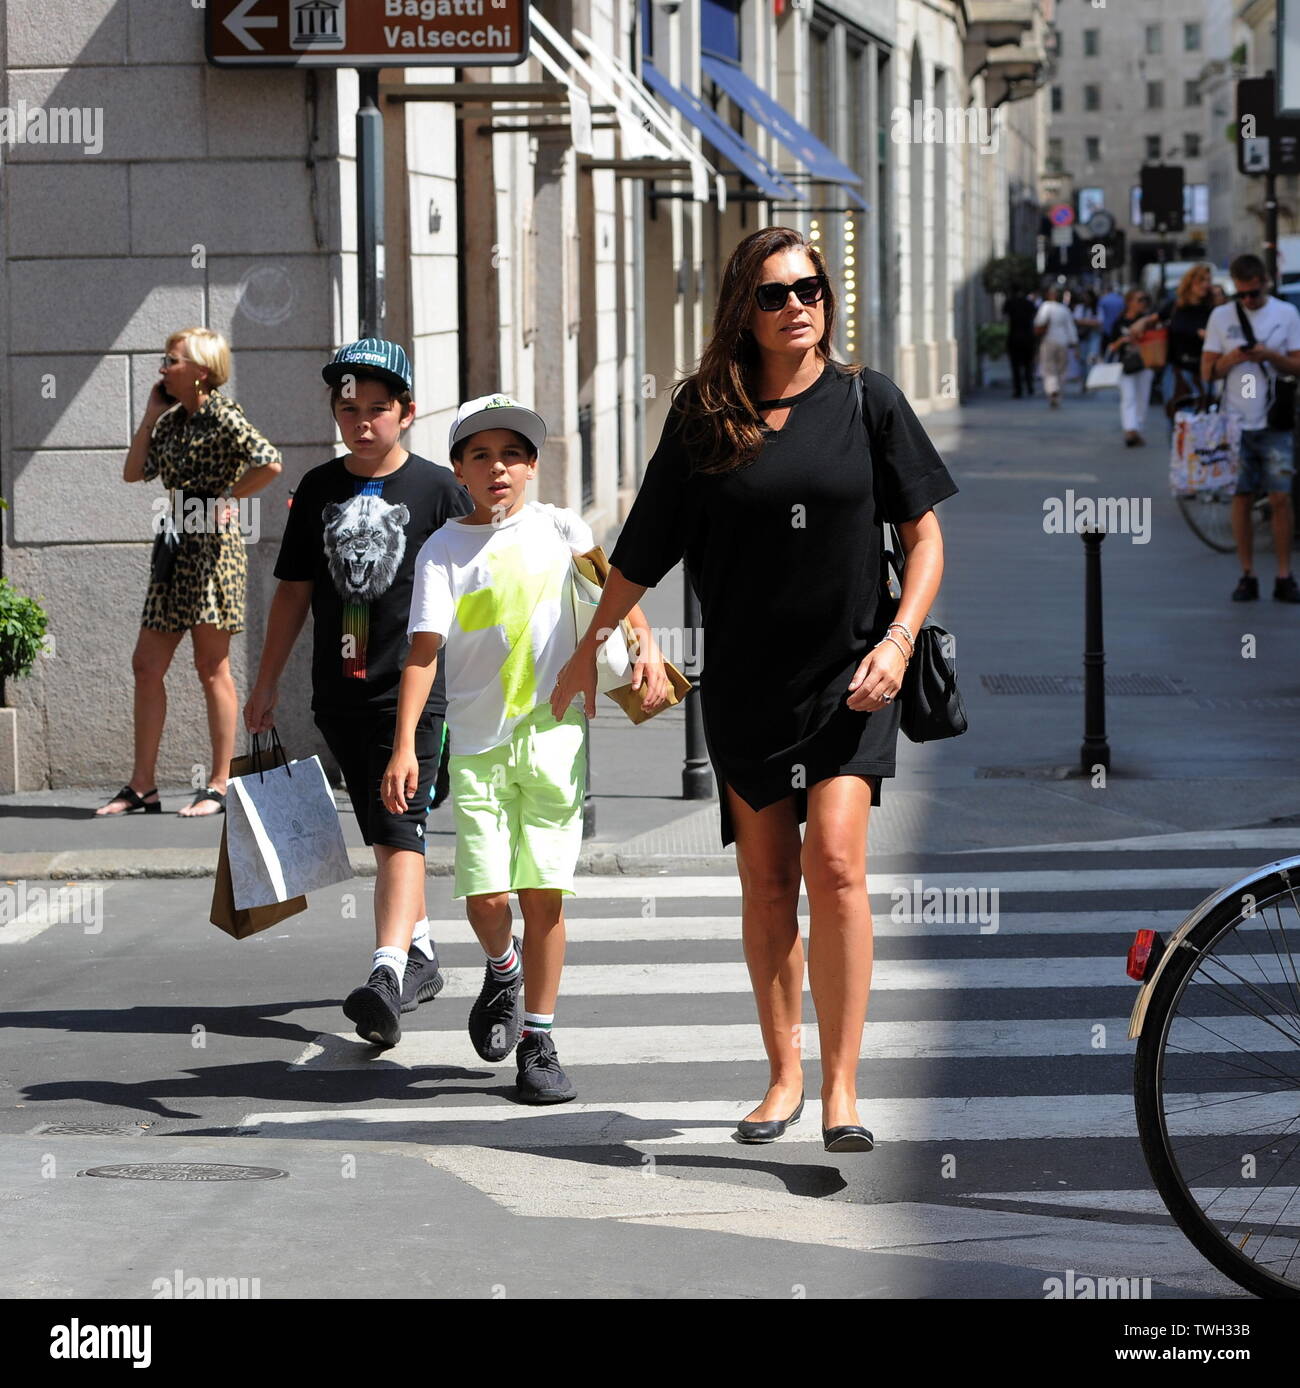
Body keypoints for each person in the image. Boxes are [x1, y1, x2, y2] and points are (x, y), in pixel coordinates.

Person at [551, 226, 958, 1153]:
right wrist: (594, 643)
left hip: (855, 673)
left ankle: (843, 1089)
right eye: (774, 294)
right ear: (744, 308)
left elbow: (925, 540)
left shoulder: (868, 403)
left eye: (809, 288)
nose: (797, 307)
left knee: (841, 866)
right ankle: (783, 1075)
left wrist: (897, 642)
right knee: (769, 884)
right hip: (745, 684)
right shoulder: (704, 417)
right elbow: (646, 542)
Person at [388, 395, 669, 1102]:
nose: (498, 468)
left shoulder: (561, 527)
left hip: (553, 740)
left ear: (534, 465)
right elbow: (422, 655)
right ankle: (503, 968)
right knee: (485, 898)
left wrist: (650, 646)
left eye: (512, 454)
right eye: (480, 455)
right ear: (459, 470)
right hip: (478, 748)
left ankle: (538, 1041)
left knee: (543, 895)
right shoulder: (444, 550)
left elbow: (615, 591)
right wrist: (405, 749)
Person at [244, 339, 475, 1046]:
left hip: (414, 693)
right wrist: (266, 683)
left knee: (399, 824)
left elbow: (482, 581)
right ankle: (423, 957)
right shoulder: (318, 489)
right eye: (350, 409)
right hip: (336, 694)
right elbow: (293, 593)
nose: (362, 421)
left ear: (407, 412)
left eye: (378, 409)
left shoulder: (439, 491)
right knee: (381, 827)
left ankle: (384, 972)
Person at [102, 328, 283, 819]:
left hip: (213, 552)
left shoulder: (223, 414)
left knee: (211, 667)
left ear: (202, 370)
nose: (163, 367)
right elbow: (133, 472)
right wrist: (149, 416)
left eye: (172, 360)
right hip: (175, 546)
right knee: (146, 665)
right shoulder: (174, 421)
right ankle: (143, 785)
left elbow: (269, 462)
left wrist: (229, 499)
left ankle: (221, 783)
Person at [1202, 253, 1300, 603]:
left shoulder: (1286, 314)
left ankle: (1284, 575)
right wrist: (1231, 359)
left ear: (1265, 284)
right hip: (1235, 422)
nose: (1247, 300)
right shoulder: (1220, 317)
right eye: (1241, 294)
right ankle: (1247, 574)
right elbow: (1207, 370)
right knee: (1241, 497)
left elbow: (1298, 364)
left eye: (1254, 294)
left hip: (1275, 419)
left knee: (1280, 498)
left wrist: (1269, 356)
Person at [1107, 288, 1161, 447]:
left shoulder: (1148, 321)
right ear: (1129, 302)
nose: (1143, 303)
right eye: (1139, 299)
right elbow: (1111, 345)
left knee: (1142, 398)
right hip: (1125, 364)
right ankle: (1130, 430)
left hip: (1145, 362)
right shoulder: (1120, 322)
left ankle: (1138, 429)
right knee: (1128, 397)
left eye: (1145, 300)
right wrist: (1123, 341)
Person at [1166, 263, 1215, 417]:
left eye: (1208, 281)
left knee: (1203, 416)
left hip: (1204, 369)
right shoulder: (1175, 306)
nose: (1205, 285)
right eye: (1201, 281)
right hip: (1178, 369)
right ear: (1190, 283)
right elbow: (1153, 320)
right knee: (1177, 415)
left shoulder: (1211, 308)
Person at [1034, 286, 1077, 407]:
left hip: (1048, 340)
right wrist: (1074, 344)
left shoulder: (1045, 306)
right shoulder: (1064, 309)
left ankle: (1052, 389)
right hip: (1063, 342)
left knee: (1049, 368)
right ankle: (1058, 391)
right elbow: (1071, 328)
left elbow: (1039, 322)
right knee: (1061, 369)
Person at [1004, 288, 1039, 399]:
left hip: (1014, 337)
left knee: (1015, 366)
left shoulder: (1010, 303)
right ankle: (1029, 386)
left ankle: (1018, 389)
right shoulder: (1029, 304)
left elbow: (1004, 314)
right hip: (1027, 337)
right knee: (1028, 364)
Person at [1071, 288, 1102, 392]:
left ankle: (1091, 381)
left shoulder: (1097, 308)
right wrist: (1090, 322)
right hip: (1083, 337)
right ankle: (1084, 382)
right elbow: (1075, 320)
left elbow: (1099, 322)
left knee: (1092, 358)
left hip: (1094, 335)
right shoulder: (1080, 308)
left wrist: (1084, 322)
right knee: (1082, 360)